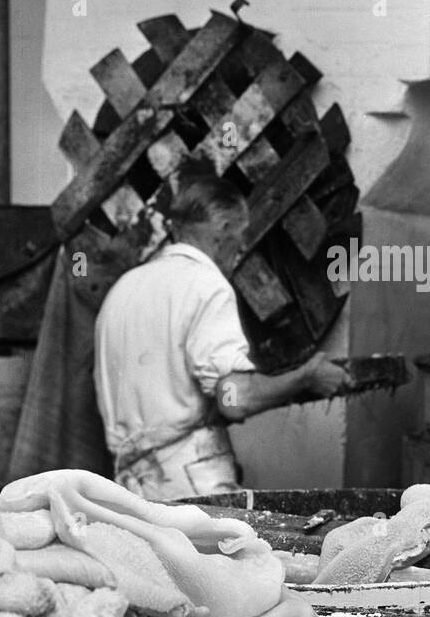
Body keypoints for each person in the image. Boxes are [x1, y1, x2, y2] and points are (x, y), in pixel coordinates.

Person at [93, 163, 350, 501]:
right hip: (191, 482)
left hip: (128, 487)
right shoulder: (206, 285)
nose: (241, 253)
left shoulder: (122, 291)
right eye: (241, 241)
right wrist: (306, 377)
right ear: (224, 229)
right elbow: (233, 399)